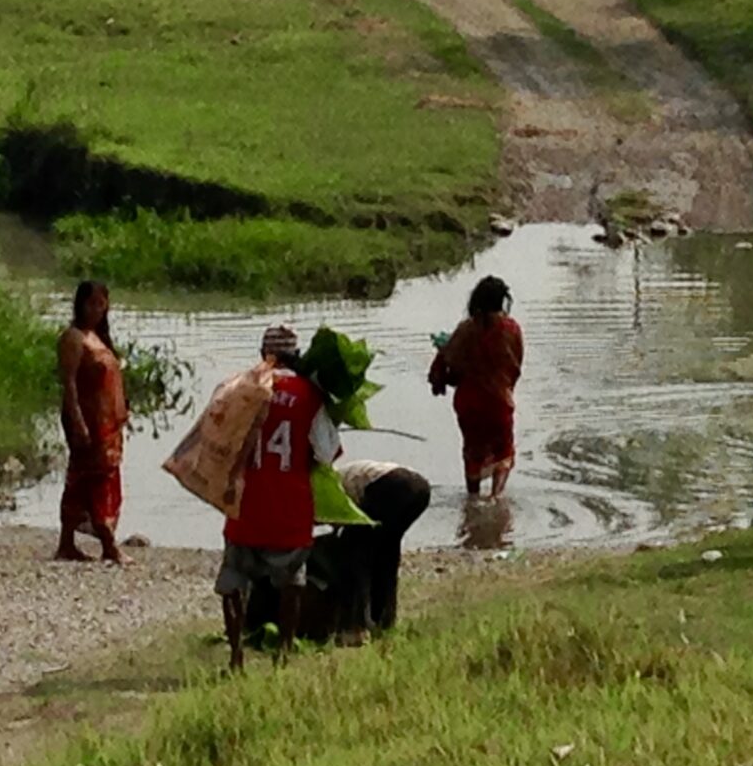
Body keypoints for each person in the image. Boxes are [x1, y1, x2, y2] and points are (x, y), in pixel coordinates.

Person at [218, 324, 339, 671]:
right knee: (291, 583)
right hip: (290, 507)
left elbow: (221, 442)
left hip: (246, 505)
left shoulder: (242, 390)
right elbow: (326, 453)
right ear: (296, 355)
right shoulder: (309, 395)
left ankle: (236, 656)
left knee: (233, 583)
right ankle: (284, 652)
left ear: (263, 354)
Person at [243, 461, 431, 646]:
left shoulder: (314, 497)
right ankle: (384, 621)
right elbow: (338, 527)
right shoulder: (328, 491)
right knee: (385, 556)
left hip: (390, 485)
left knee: (356, 561)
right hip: (419, 488)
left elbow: (326, 532)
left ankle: (354, 628)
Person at [430, 276, 524, 498]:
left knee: (472, 451)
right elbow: (515, 364)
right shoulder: (511, 330)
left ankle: (473, 498)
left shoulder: (465, 330)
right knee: (504, 451)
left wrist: (441, 377)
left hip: (468, 403)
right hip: (498, 401)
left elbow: (449, 360)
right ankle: (496, 497)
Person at [57, 280, 130, 564]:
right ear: (81, 304)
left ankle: (67, 543)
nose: (97, 310)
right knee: (96, 480)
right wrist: (77, 421)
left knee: (85, 481)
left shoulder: (99, 338)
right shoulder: (74, 338)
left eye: (102, 304)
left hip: (108, 422)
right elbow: (69, 385)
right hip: (89, 420)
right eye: (92, 304)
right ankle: (108, 544)